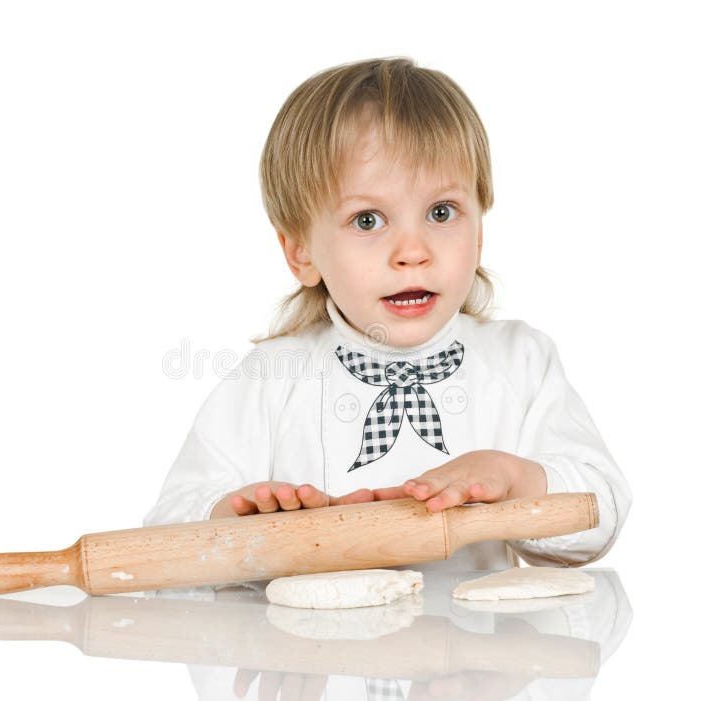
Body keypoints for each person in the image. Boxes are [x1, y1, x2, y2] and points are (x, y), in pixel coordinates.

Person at [143, 56, 632, 575]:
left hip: (478, 652)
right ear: (300, 252)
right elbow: (163, 533)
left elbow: (600, 516)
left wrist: (515, 479)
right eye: (368, 219)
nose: (413, 251)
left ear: (480, 228)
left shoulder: (520, 363)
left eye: (441, 212)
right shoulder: (269, 379)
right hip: (306, 652)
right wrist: (237, 518)